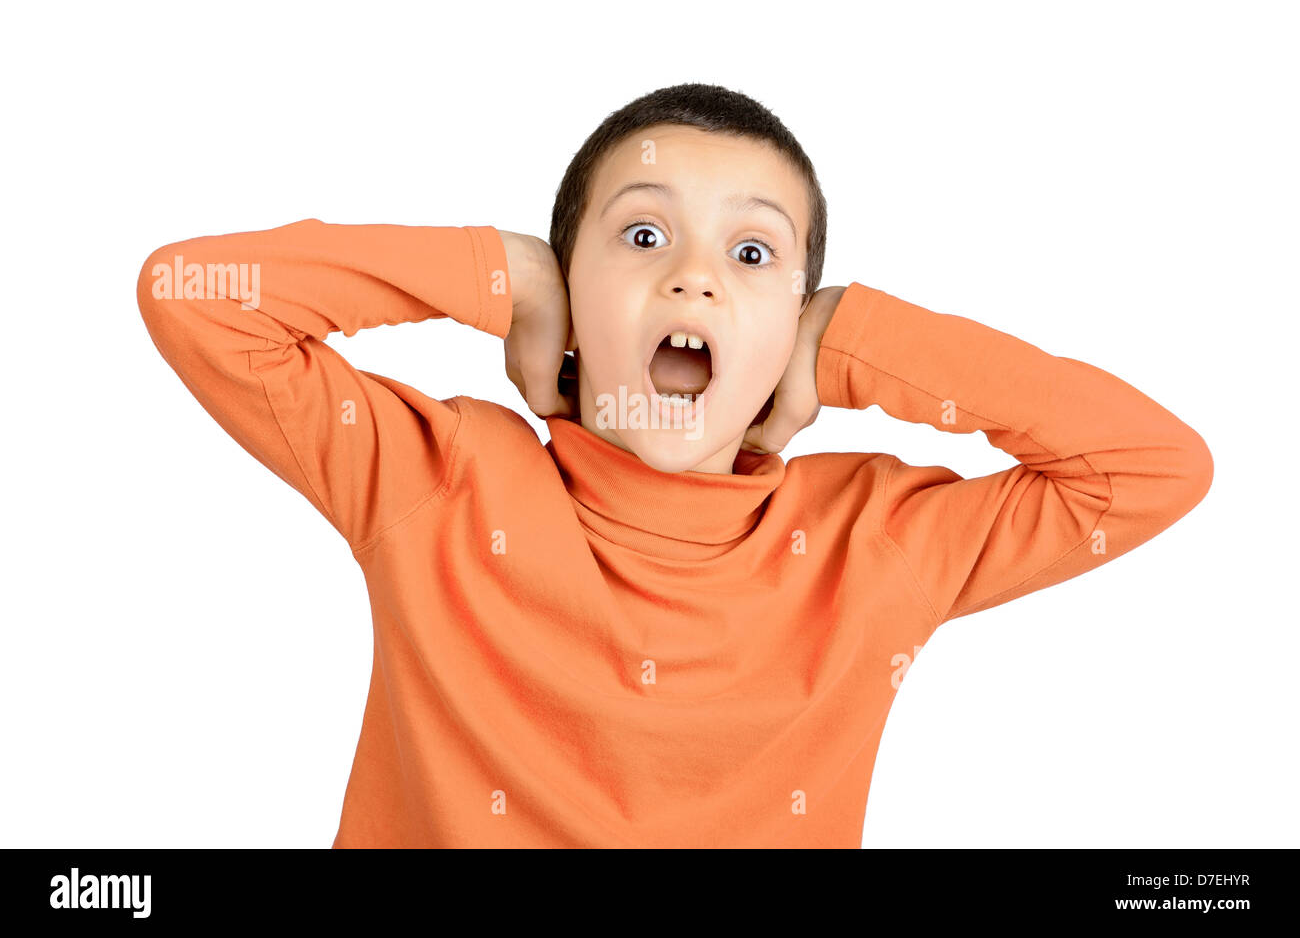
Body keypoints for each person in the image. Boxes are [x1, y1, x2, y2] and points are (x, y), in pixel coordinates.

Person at [135, 83, 1213, 848]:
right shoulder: (439, 481)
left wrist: (856, 338)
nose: (694, 282)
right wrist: (495, 273)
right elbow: (195, 295)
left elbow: (1153, 467)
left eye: (752, 256)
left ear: (790, 329)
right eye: (642, 237)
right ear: (566, 297)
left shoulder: (873, 543)